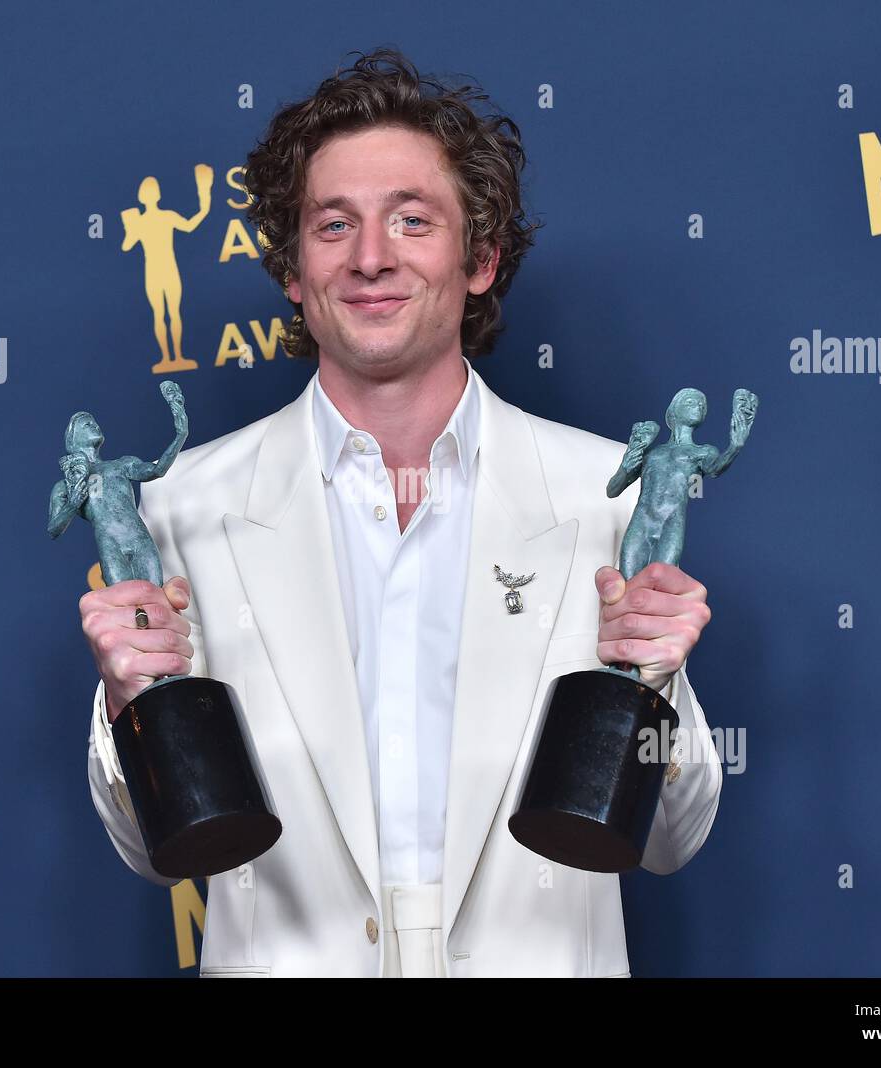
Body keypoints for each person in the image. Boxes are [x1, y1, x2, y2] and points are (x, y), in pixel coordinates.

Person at [80, 47, 722, 977]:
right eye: (332, 225)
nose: (370, 257)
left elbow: (674, 837)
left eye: (412, 220)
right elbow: (151, 853)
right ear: (293, 271)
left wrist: (655, 685)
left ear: (481, 260)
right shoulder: (178, 505)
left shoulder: (601, 493)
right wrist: (124, 700)